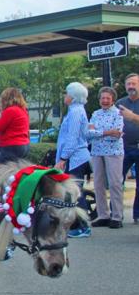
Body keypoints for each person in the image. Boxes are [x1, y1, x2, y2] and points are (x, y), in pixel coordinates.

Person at [55, 82, 91, 238]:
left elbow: (72, 137)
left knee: (75, 192)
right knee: (75, 191)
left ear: (73, 96)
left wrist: (63, 158)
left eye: (67, 93)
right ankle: (78, 224)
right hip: (77, 156)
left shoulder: (75, 112)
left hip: (75, 157)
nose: (65, 96)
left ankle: (82, 226)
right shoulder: (76, 111)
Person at [87, 86, 124, 229]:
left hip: (114, 152)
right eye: (103, 98)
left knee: (115, 184)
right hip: (96, 152)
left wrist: (98, 132)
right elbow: (89, 133)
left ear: (113, 99)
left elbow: (117, 134)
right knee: (98, 184)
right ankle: (103, 215)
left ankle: (117, 216)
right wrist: (107, 132)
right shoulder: (95, 114)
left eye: (108, 98)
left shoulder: (118, 113)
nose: (105, 100)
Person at [116, 73, 139, 224]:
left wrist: (132, 117)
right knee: (116, 182)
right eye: (128, 84)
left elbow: (131, 118)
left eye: (134, 84)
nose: (131, 87)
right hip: (122, 148)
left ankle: (137, 215)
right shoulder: (120, 103)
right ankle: (116, 214)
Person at [0, 87, 30, 163]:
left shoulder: (10, 111)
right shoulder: (23, 110)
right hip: (24, 145)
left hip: (11, 145)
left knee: (4, 172)